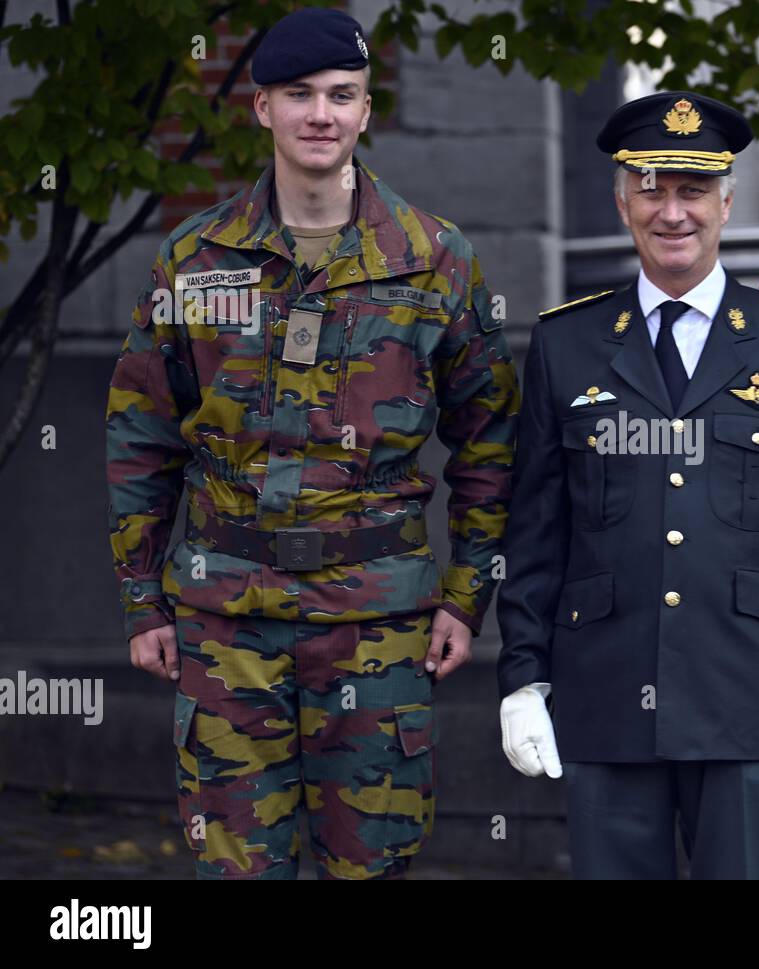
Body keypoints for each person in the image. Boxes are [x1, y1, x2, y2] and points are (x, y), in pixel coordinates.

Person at [105, 7, 519, 880]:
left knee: (372, 866)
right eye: (299, 95)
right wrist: (143, 601)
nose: (321, 114)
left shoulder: (433, 258)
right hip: (225, 623)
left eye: (342, 95)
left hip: (378, 623)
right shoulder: (196, 259)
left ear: (368, 111)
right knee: (235, 868)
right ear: (262, 108)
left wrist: (465, 596)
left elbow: (490, 443)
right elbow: (142, 435)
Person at [495, 91, 759, 879]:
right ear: (621, 198)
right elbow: (536, 530)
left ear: (727, 200)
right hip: (605, 692)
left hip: (746, 695)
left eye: (693, 190)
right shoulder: (565, 343)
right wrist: (523, 676)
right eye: (651, 187)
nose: (672, 212)